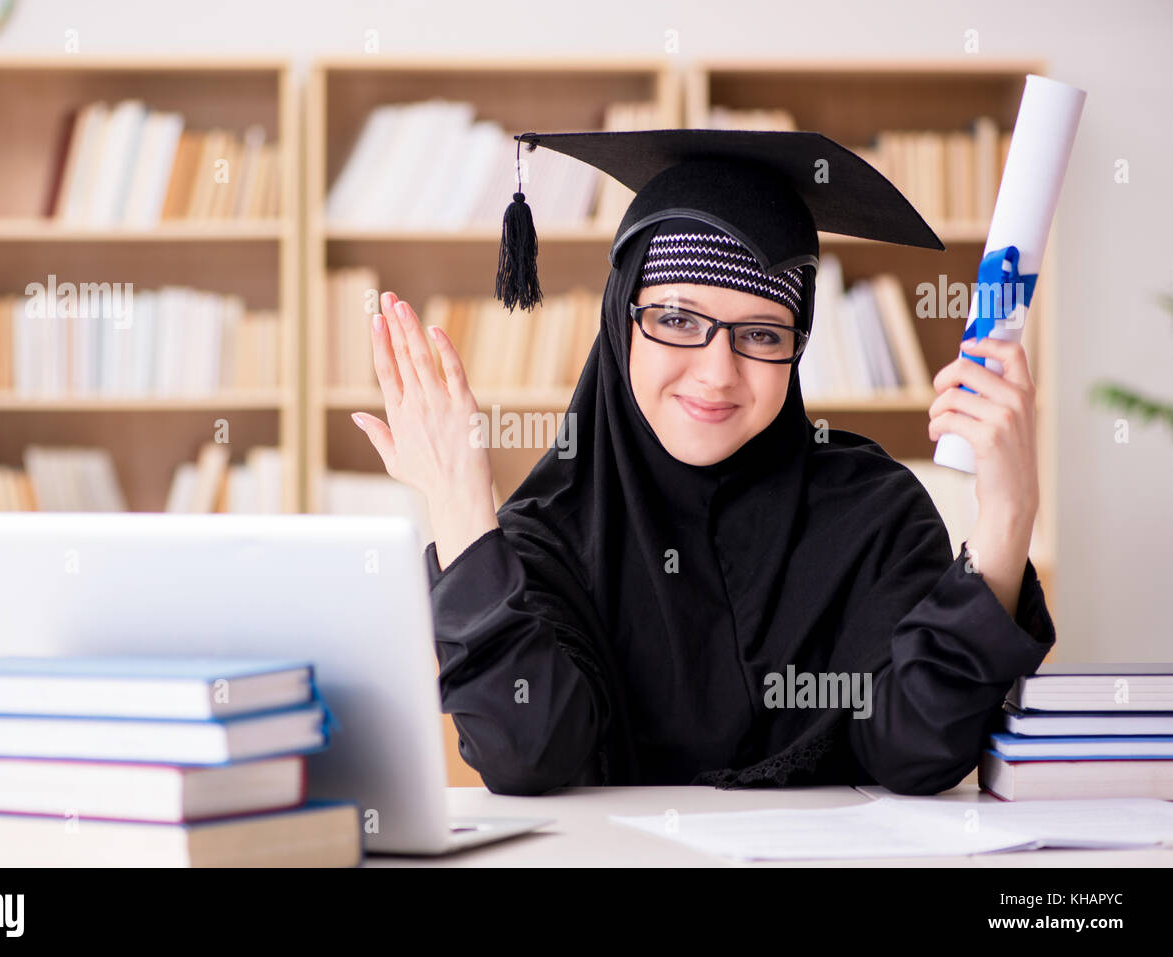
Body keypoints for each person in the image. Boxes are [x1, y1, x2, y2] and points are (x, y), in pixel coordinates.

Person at [350, 130, 1055, 795]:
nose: (719, 372)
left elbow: (918, 747)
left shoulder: (875, 514)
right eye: (679, 320)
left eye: (761, 332)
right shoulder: (548, 540)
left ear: (799, 346)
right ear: (622, 320)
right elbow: (532, 754)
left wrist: (1008, 515)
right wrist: (461, 510)